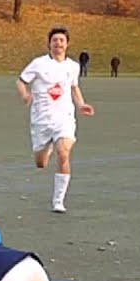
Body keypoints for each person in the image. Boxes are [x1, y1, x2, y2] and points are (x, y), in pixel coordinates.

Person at [17, 27, 95, 213]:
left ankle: (58, 201)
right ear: (49, 44)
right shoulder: (38, 63)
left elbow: (74, 88)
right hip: (41, 119)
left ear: (67, 44)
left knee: (63, 152)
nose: (58, 43)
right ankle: (47, 146)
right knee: (41, 163)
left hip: (64, 118)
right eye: (54, 40)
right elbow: (21, 81)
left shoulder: (73, 66)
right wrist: (25, 95)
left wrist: (81, 104)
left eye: (61, 40)